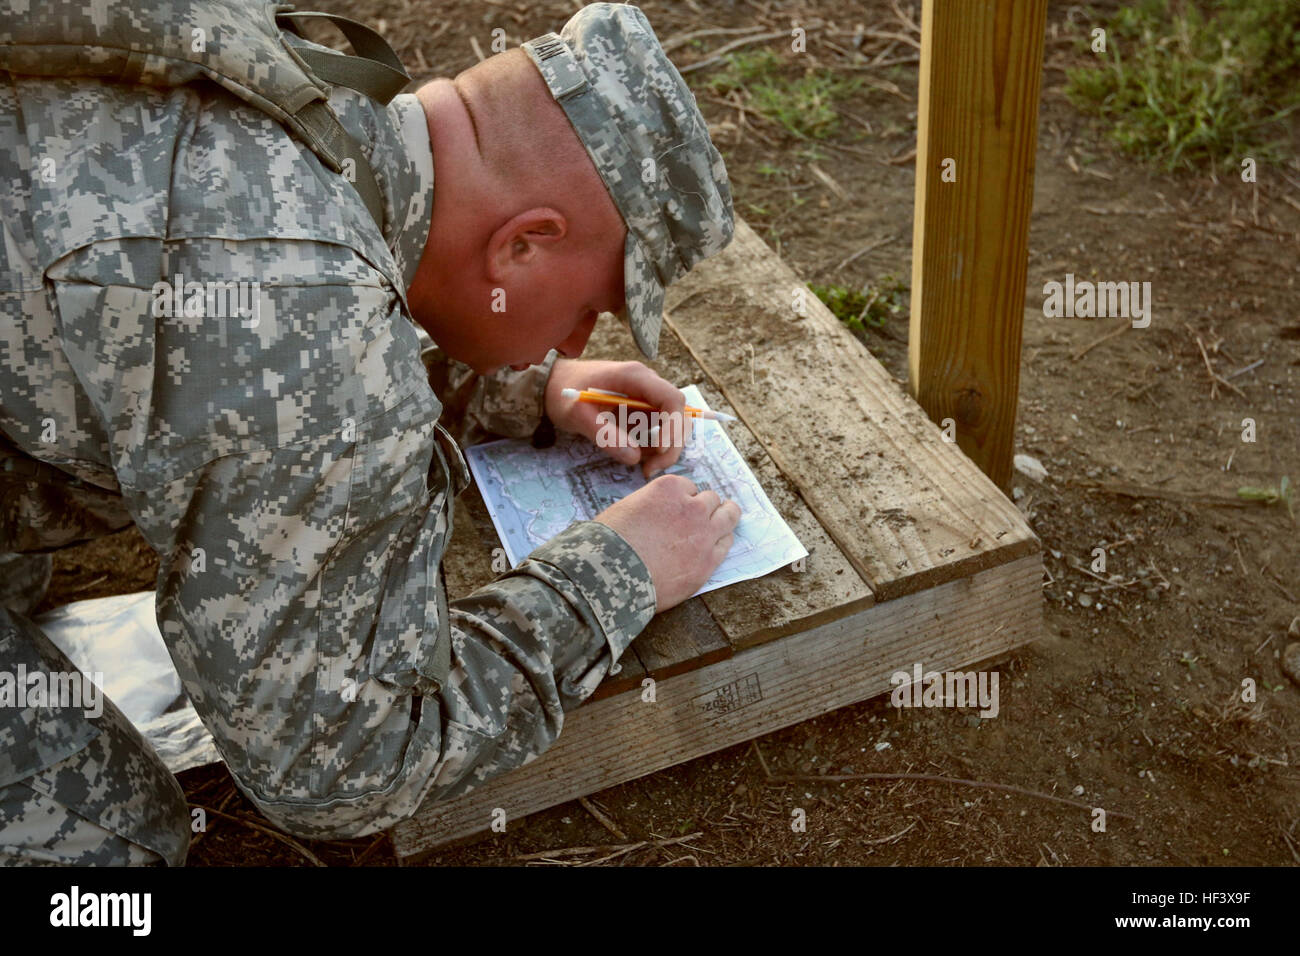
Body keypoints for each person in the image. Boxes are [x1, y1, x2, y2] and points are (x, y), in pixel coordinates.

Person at [0, 2, 737, 864]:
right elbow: (334, 768)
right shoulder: (308, 323)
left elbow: (233, 329)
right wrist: (614, 577)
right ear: (525, 244)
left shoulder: (291, 78)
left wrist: (527, 388)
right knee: (104, 850)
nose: (577, 340)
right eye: (589, 309)